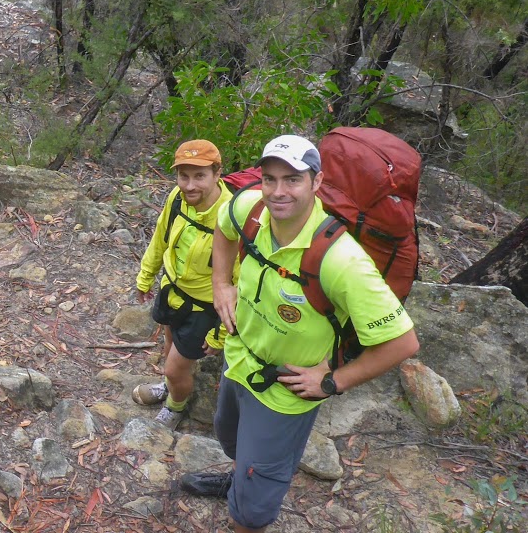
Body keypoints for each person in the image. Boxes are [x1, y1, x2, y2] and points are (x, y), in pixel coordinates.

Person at [180, 135, 419, 532]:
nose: (278, 191)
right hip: (239, 360)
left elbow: (403, 343)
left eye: (292, 179)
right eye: (270, 178)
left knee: (251, 512)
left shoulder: (341, 260)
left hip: (283, 392)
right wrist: (221, 283)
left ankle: (248, 503)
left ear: (317, 182)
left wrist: (332, 381)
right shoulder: (250, 207)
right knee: (230, 434)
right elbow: (224, 230)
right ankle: (242, 480)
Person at [132, 140, 233, 430]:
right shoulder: (177, 198)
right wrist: (146, 275)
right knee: (168, 344)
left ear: (217, 174)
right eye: (184, 176)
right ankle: (169, 385)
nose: (189, 185)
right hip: (172, 290)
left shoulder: (231, 215)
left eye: (199, 176)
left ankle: (175, 406)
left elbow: (240, 280)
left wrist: (222, 332)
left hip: (205, 307)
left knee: (177, 367)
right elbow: (161, 236)